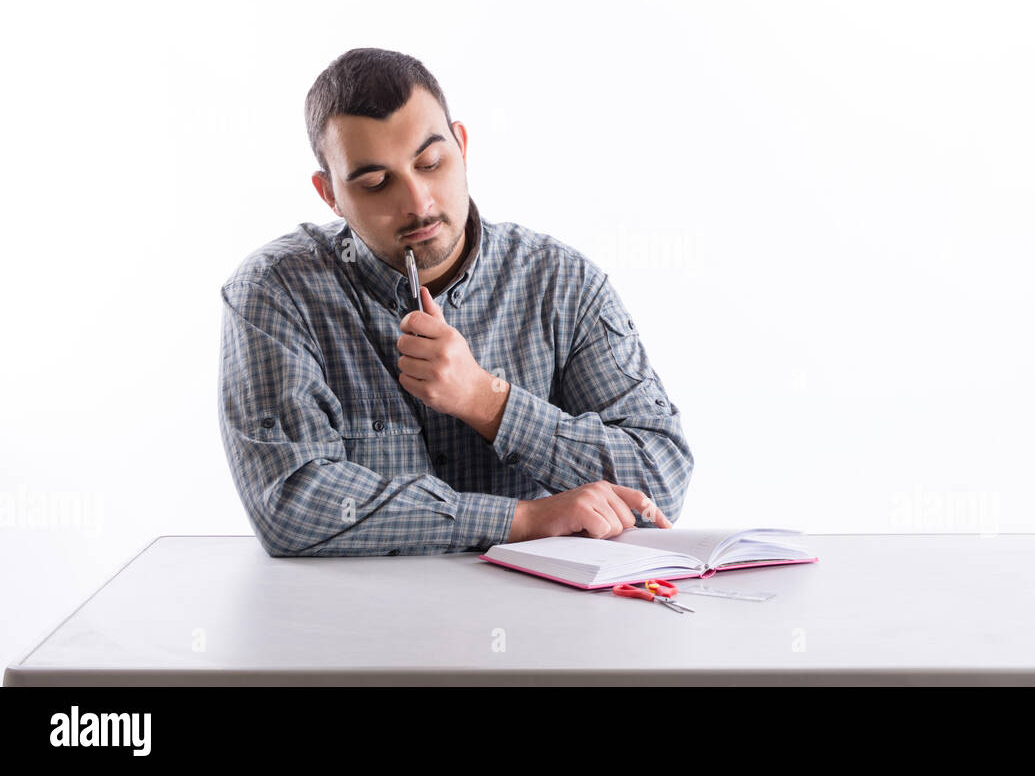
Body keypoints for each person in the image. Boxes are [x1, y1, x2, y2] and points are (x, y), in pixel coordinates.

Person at [218, 47, 694, 556]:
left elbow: (658, 486)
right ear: (330, 194)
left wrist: (486, 401)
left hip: (544, 626)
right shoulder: (275, 292)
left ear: (461, 146)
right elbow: (289, 503)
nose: (418, 203)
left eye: (431, 162)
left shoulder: (562, 283)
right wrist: (521, 519)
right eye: (377, 183)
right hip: (358, 630)